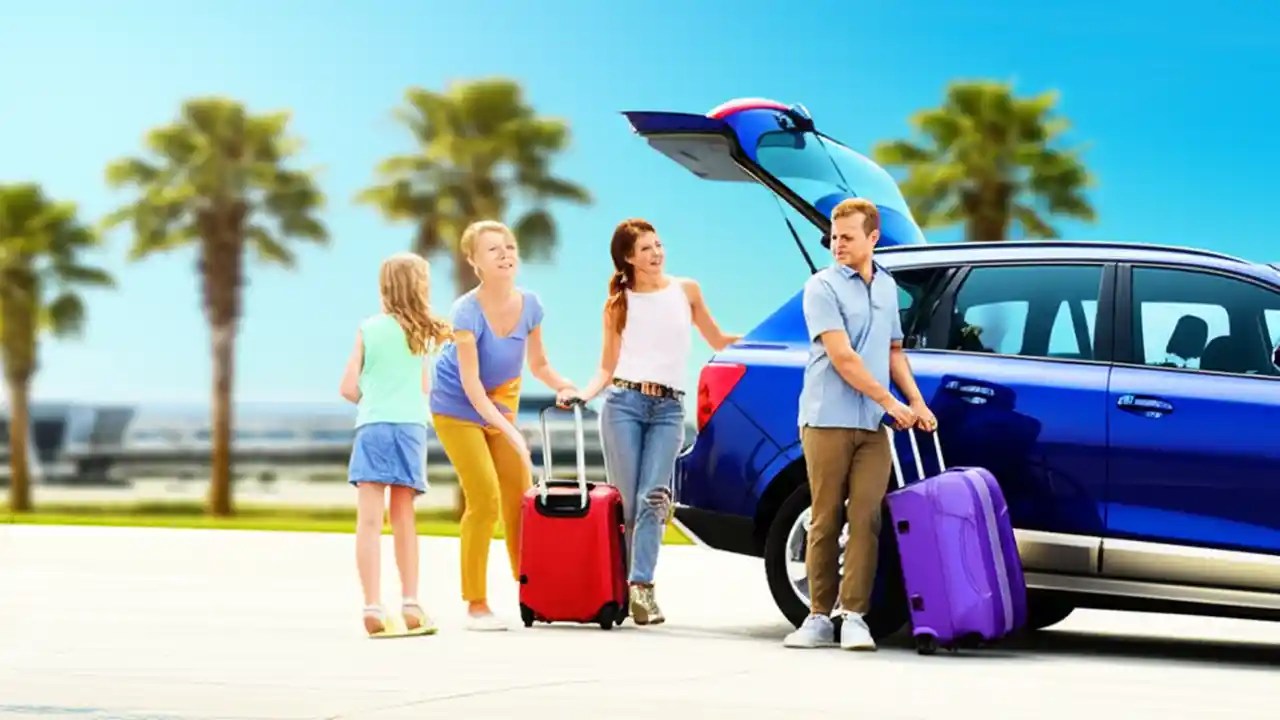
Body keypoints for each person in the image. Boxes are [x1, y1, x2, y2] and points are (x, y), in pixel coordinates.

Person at [782, 198, 937, 651]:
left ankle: (854, 616)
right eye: (834, 237)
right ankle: (816, 617)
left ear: (873, 238)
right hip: (827, 418)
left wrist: (916, 401)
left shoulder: (887, 288)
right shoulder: (821, 287)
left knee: (866, 518)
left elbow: (893, 352)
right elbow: (843, 357)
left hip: (871, 426)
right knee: (825, 517)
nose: (837, 245)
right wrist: (891, 402)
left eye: (847, 237)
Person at [573, 218, 740, 625]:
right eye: (646, 248)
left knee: (654, 498)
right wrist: (582, 393)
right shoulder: (618, 303)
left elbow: (717, 340)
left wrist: (766, 341)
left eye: (659, 244)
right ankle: (620, 587)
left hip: (668, 409)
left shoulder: (687, 291)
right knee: (628, 504)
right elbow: (606, 366)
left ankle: (641, 588)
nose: (657, 253)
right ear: (629, 257)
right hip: (624, 405)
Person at [429, 219, 578, 631]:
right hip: (457, 405)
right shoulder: (465, 311)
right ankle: (475, 604)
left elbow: (539, 364)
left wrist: (564, 385)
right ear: (474, 261)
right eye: (493, 249)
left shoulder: (530, 304)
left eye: (509, 246)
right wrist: (511, 430)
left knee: (519, 496)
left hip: (501, 400)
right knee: (484, 498)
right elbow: (472, 385)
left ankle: (530, 588)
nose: (505, 254)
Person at [340, 252, 452, 637]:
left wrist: (372, 401)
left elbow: (346, 387)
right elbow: (425, 388)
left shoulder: (368, 328)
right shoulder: (422, 333)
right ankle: (411, 604)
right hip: (410, 428)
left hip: (372, 426)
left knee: (368, 522)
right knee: (403, 517)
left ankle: (372, 605)